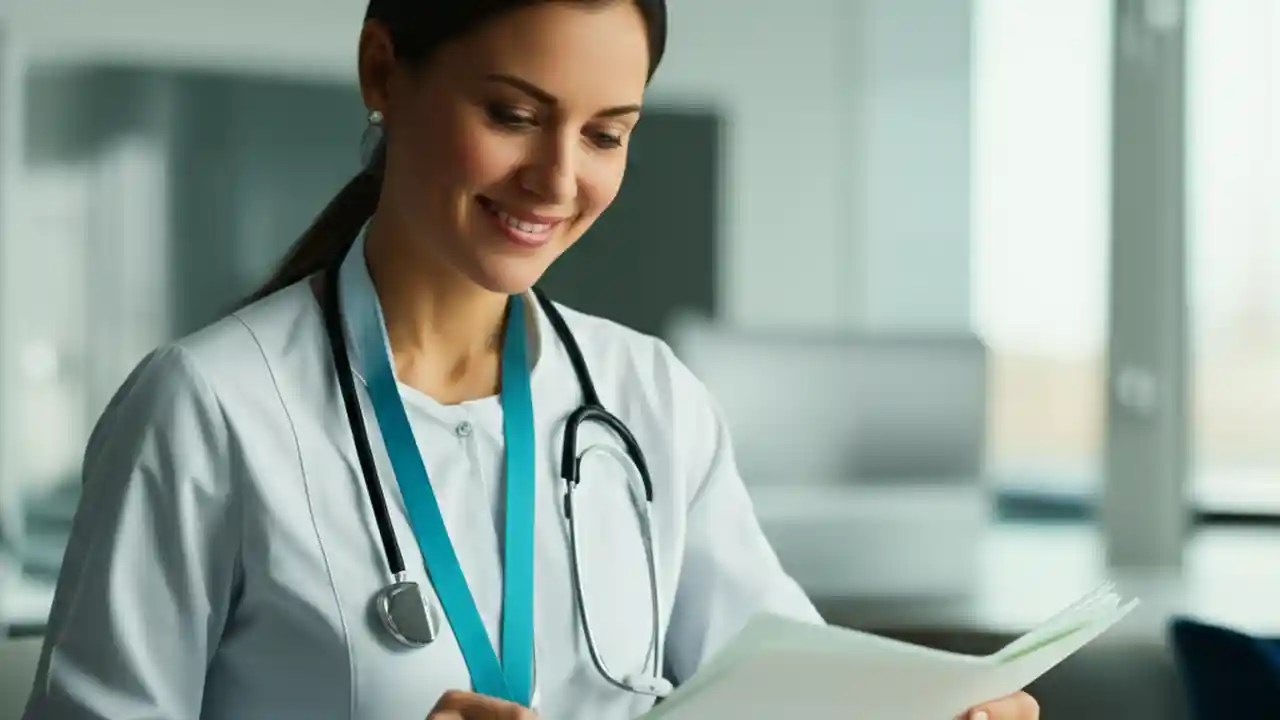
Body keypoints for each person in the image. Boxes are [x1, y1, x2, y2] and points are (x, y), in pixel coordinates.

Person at [22, 2, 1040, 719]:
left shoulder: (648, 400)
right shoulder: (208, 409)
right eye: (512, 115)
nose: (557, 179)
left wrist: (930, 712)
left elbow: (783, 689)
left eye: (605, 134)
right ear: (383, 70)